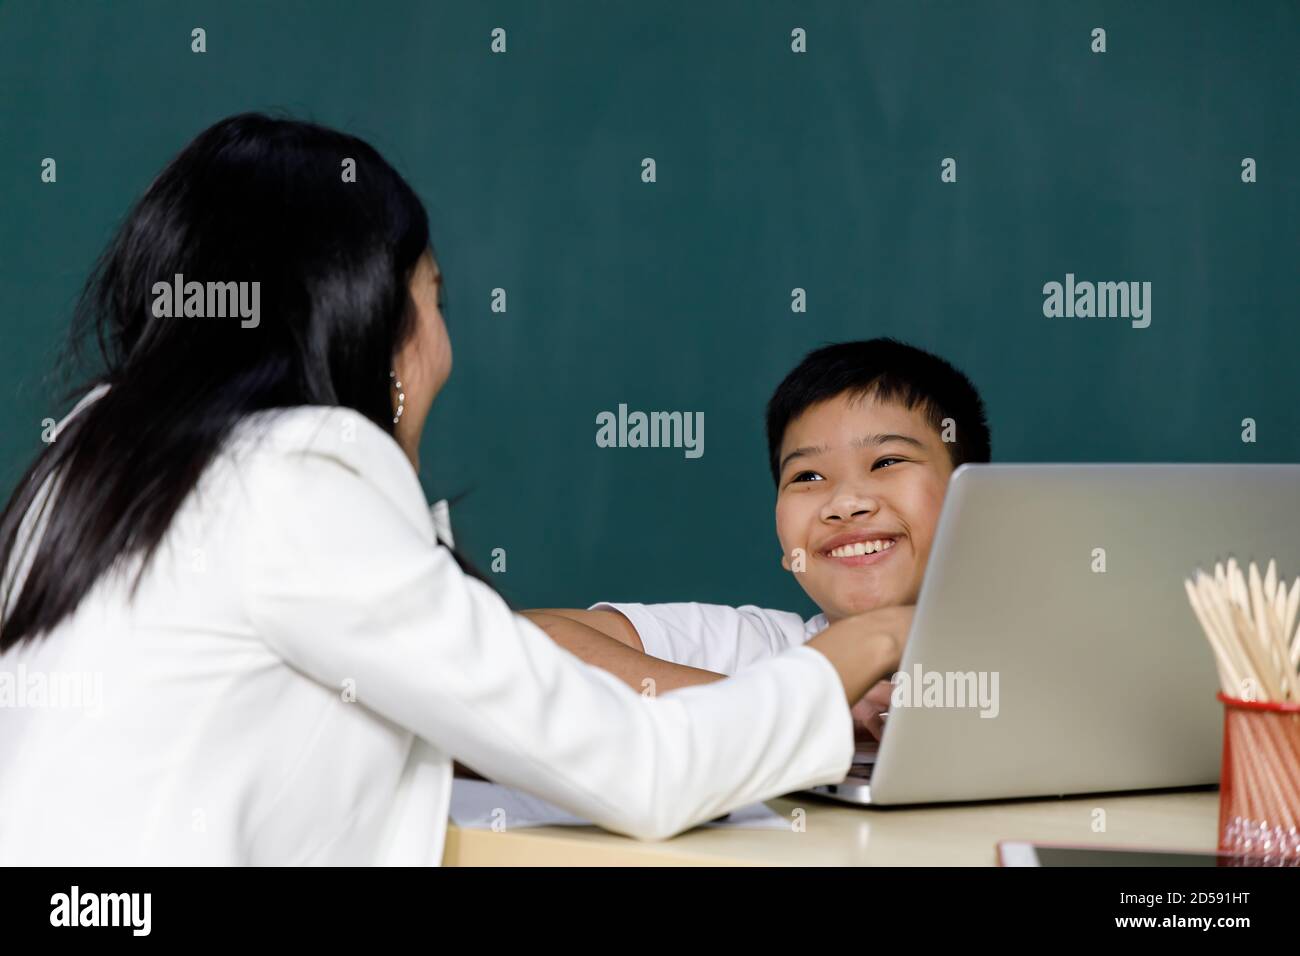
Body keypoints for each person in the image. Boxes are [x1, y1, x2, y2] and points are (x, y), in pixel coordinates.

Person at [0, 114, 909, 865]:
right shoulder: (298, 473)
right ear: (369, 318)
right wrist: (864, 648)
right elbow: (643, 770)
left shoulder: (90, 457)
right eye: (435, 300)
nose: (446, 348)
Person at [529, 339, 991, 741]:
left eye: (887, 462)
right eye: (807, 475)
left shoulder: (1038, 654)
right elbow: (518, 642)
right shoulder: (757, 650)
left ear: (975, 498)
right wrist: (801, 701)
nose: (845, 502)